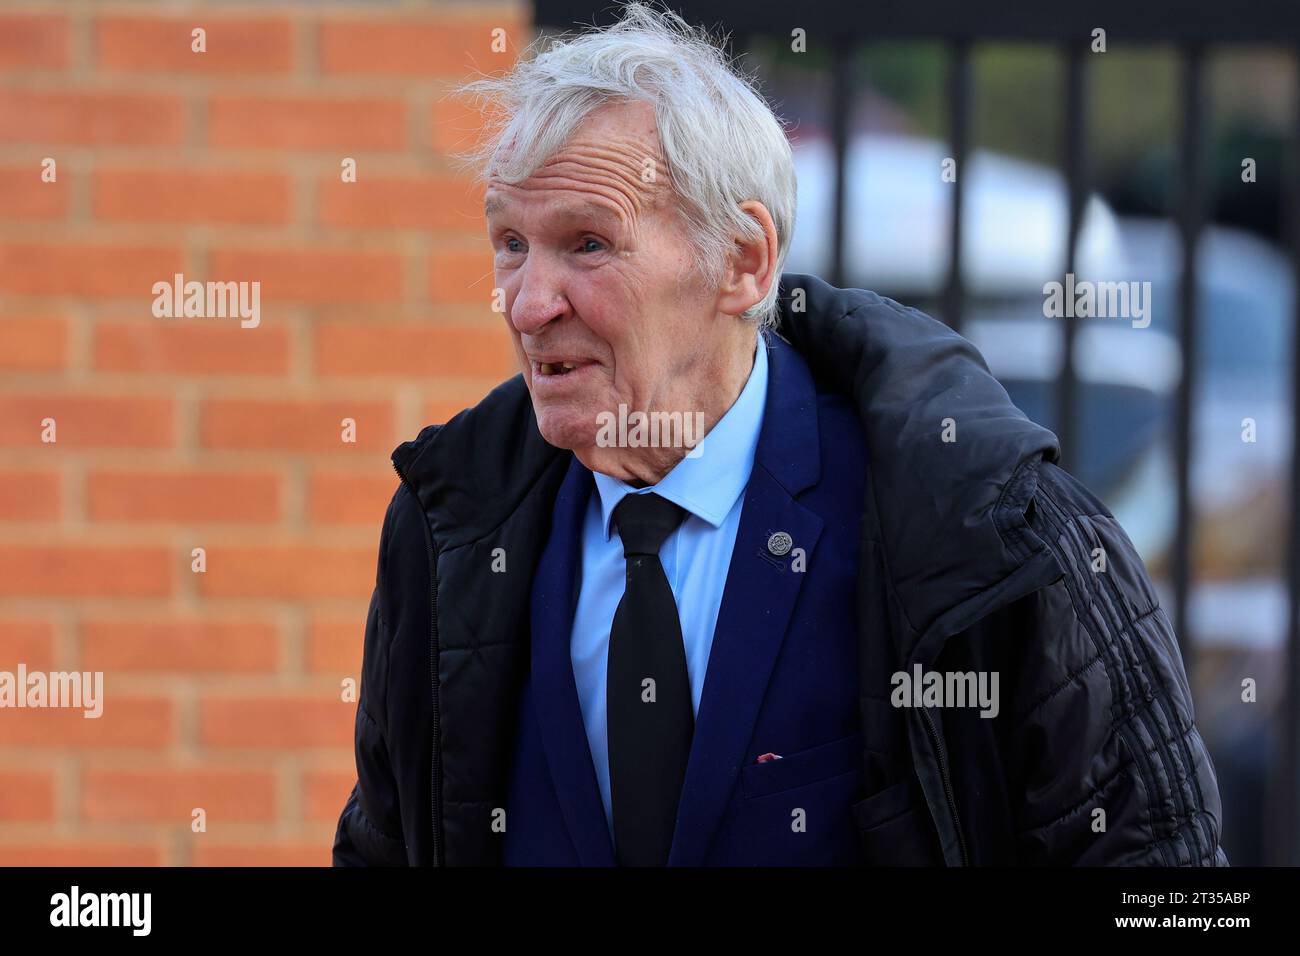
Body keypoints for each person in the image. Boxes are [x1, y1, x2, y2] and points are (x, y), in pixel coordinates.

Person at [332, 3, 1227, 866]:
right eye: (511, 244)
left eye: (589, 245)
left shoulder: (983, 529)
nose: (527, 304)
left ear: (743, 259)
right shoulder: (447, 533)